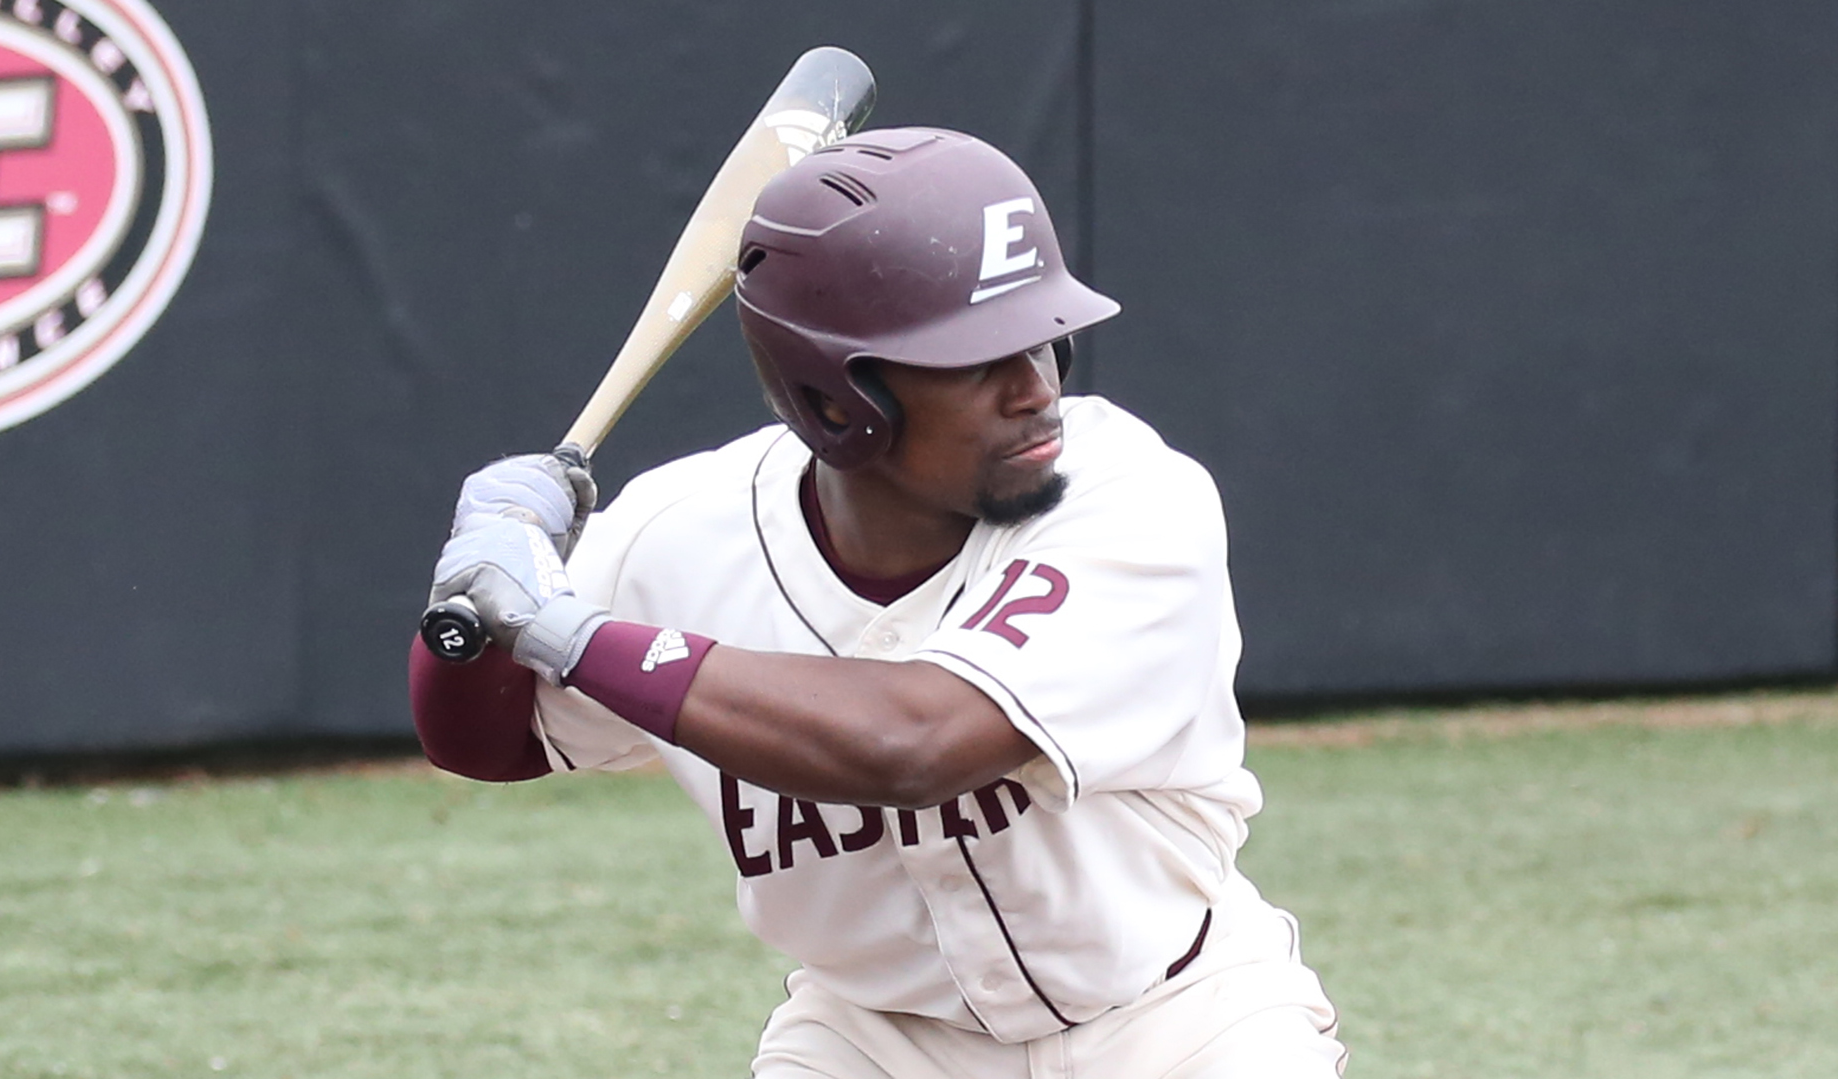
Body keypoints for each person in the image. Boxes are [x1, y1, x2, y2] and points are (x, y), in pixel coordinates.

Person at [410, 127, 1346, 1078]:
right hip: (874, 1039)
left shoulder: (1133, 496)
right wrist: (470, 600)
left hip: (1177, 1015)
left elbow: (914, 744)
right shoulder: (679, 535)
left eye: (1046, 339)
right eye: (981, 356)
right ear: (833, 402)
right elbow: (486, 739)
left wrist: (565, 629)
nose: (1038, 391)